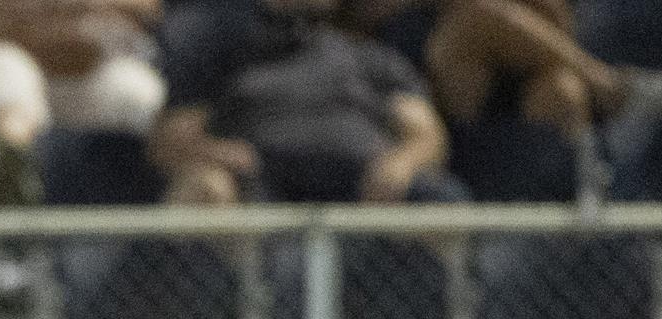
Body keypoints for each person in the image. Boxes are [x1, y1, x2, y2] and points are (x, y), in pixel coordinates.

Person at [150, 0, 469, 205]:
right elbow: (170, 142)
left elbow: (426, 134)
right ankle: (240, 311)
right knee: (204, 188)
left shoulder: (369, 55)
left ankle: (458, 310)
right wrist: (222, 155)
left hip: (364, 190)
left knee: (439, 198)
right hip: (263, 187)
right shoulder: (225, 45)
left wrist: (401, 163)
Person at [336, 0, 662, 142]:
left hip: (514, 73)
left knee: (562, 88)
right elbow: (353, 14)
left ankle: (580, 236)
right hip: (419, 79)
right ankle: (612, 88)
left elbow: (556, 18)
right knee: (475, 17)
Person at [0, 0, 168, 204]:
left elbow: (150, 10)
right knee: (4, 68)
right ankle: (14, 171)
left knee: (139, 89)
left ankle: (161, 200)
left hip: (90, 77)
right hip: (21, 68)